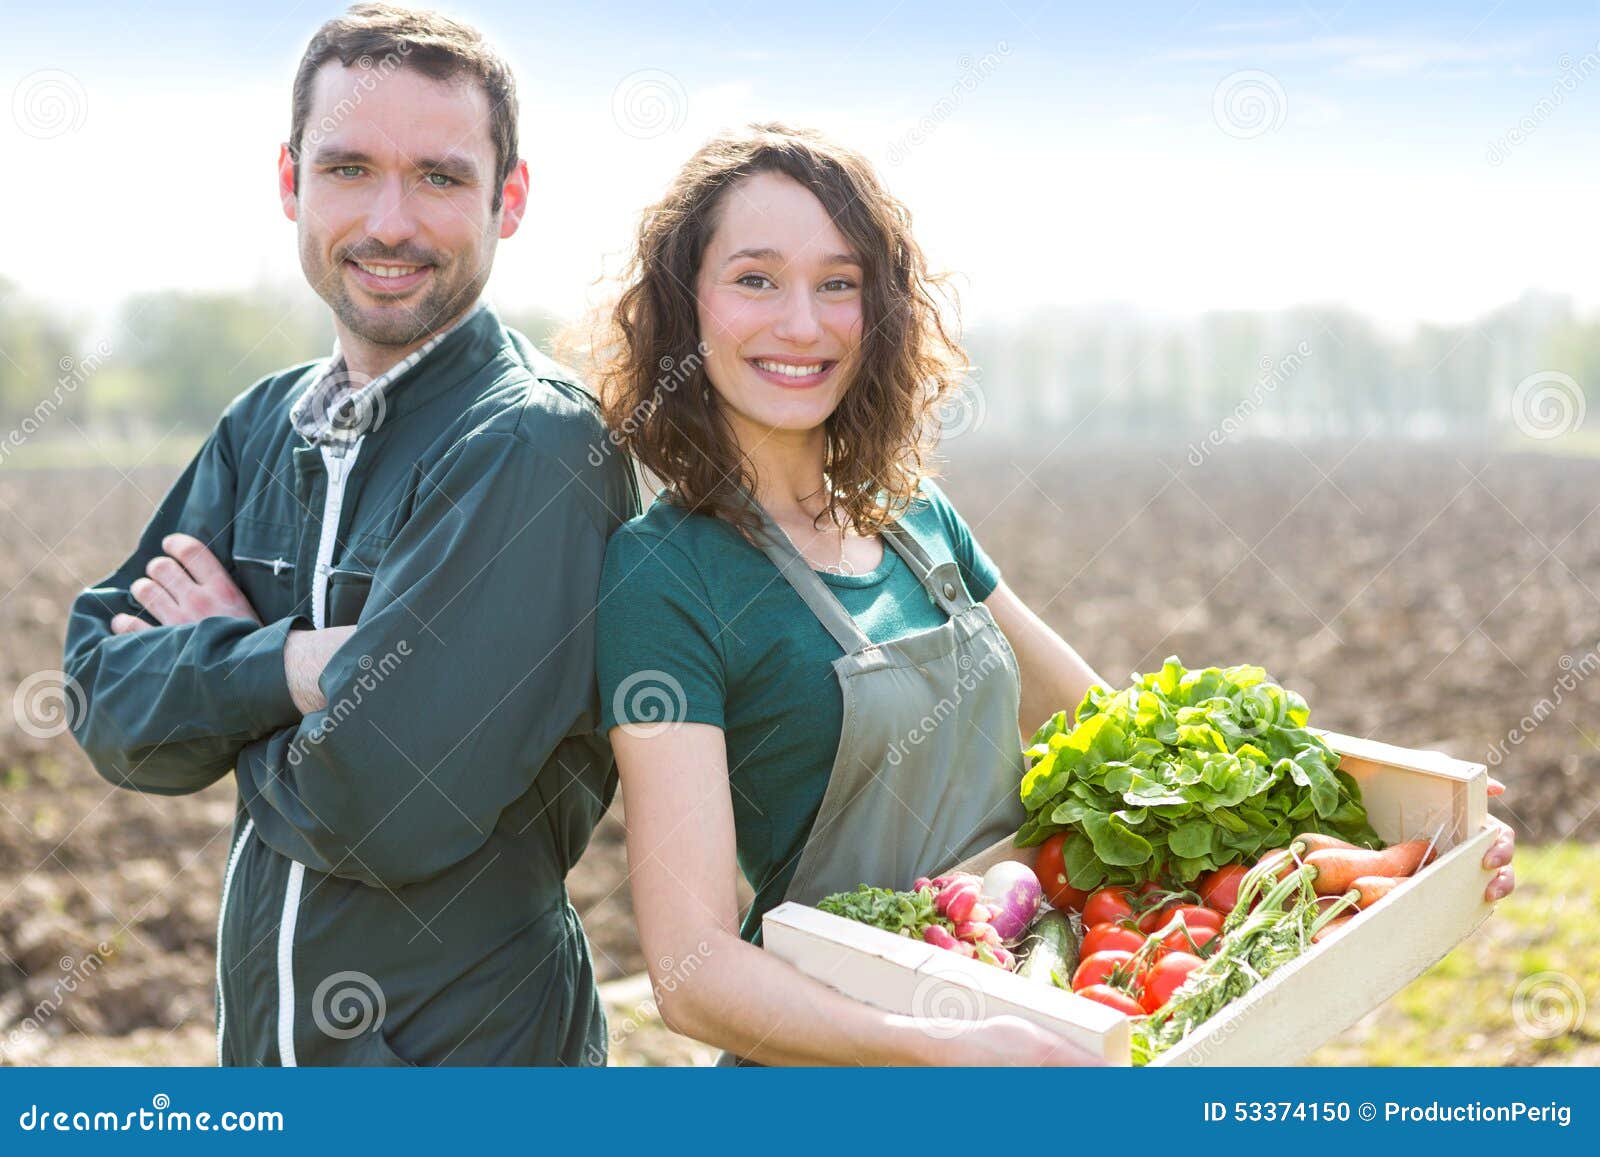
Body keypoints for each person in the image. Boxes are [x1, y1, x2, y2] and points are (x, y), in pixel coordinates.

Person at [591, 123, 1518, 1066]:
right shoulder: (663, 577)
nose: (802, 322)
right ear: (684, 305)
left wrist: (1400, 841)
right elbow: (690, 969)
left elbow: (1120, 746)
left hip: (1035, 1012)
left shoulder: (915, 521)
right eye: (756, 278)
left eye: (839, 282)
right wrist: (939, 1047)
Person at [62, 4, 636, 1066]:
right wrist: (299, 663)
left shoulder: (533, 444)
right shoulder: (263, 422)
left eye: (440, 176)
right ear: (291, 182)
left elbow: (380, 805)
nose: (390, 221)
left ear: (508, 200)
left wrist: (218, 691)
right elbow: (101, 698)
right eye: (349, 168)